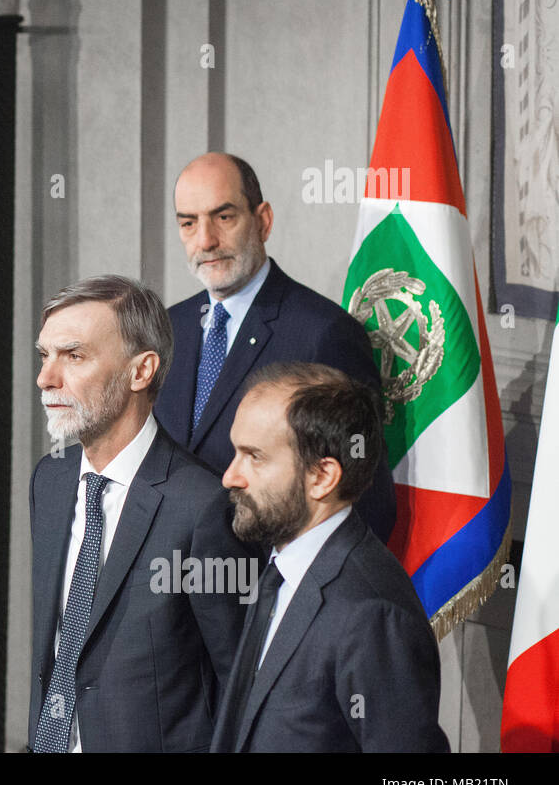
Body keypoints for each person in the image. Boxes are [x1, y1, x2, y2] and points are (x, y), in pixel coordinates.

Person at [28, 276, 253, 752]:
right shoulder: (49, 480)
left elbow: (239, 683)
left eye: (73, 355)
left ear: (140, 371)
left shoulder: (202, 505)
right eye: (44, 356)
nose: (47, 378)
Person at [154, 152, 398, 541]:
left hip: (264, 588)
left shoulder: (325, 334)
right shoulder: (167, 327)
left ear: (263, 220)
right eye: (188, 223)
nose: (206, 240)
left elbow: (364, 497)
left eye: (224, 217)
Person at [210, 362, 449, 752]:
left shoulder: (371, 614)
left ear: (322, 477)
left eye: (254, 456)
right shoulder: (280, 569)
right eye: (236, 452)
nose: (230, 476)